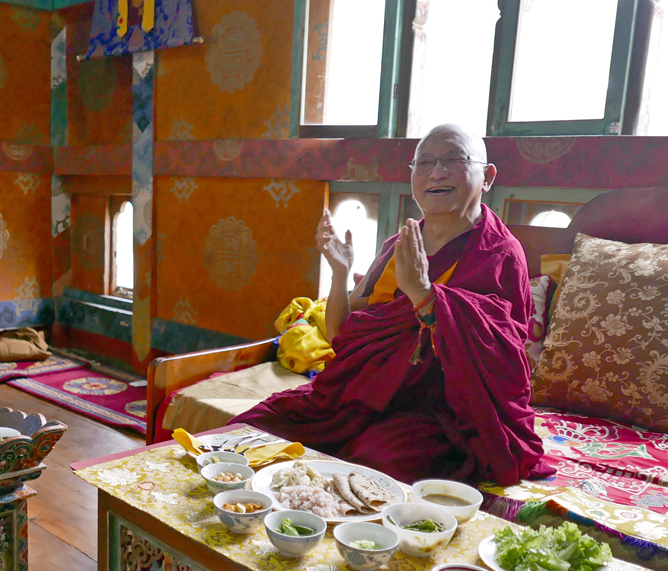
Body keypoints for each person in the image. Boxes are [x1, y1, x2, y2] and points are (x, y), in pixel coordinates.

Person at [232, 124, 552, 486]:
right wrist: (340, 274)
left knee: (367, 469)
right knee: (247, 432)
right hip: (359, 398)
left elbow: (504, 364)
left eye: (453, 160)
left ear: (488, 176)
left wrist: (426, 297)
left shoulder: (500, 255)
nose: (437, 172)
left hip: (439, 414)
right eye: (425, 163)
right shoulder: (397, 246)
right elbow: (343, 338)